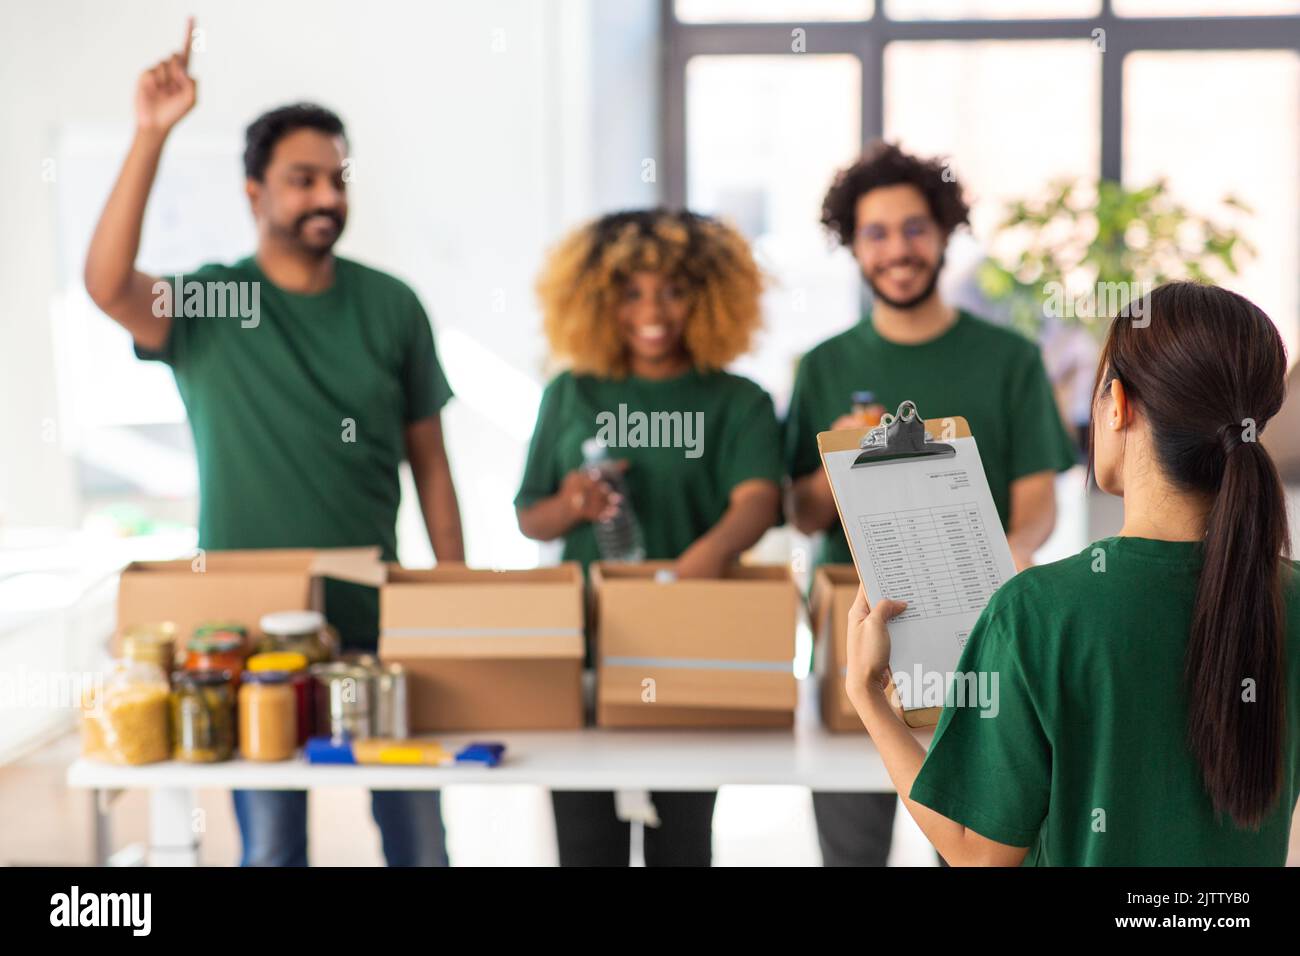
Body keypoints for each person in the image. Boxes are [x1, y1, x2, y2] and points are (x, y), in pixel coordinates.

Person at [84, 21, 464, 866]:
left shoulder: (391, 305)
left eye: (337, 178)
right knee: (272, 850)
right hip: (247, 636)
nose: (326, 195)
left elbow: (430, 462)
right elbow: (107, 284)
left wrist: (449, 592)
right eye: (302, 180)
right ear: (254, 192)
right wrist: (151, 132)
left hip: (375, 620)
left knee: (419, 842)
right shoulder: (217, 306)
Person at [847, 281, 1300, 865]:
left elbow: (979, 856)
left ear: (1118, 404)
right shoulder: (1289, 598)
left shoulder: (1038, 609)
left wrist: (868, 697)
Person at [784, 141, 1076, 866]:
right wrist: (843, 457)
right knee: (851, 847)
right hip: (857, 630)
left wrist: (1015, 551)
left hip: (982, 635)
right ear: (852, 246)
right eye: (875, 233)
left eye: (914, 228)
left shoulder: (1008, 359)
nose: (897, 250)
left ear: (945, 233)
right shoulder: (825, 364)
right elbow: (801, 514)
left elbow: (1037, 500)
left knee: (973, 849)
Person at [515, 209, 783, 866]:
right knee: (585, 844)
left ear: (710, 297)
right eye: (631, 293)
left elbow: (759, 501)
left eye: (673, 290)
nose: (652, 310)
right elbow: (530, 516)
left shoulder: (736, 400)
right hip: (584, 644)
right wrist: (573, 501)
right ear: (600, 303)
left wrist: (707, 556)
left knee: (684, 842)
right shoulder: (571, 392)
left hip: (690, 643)